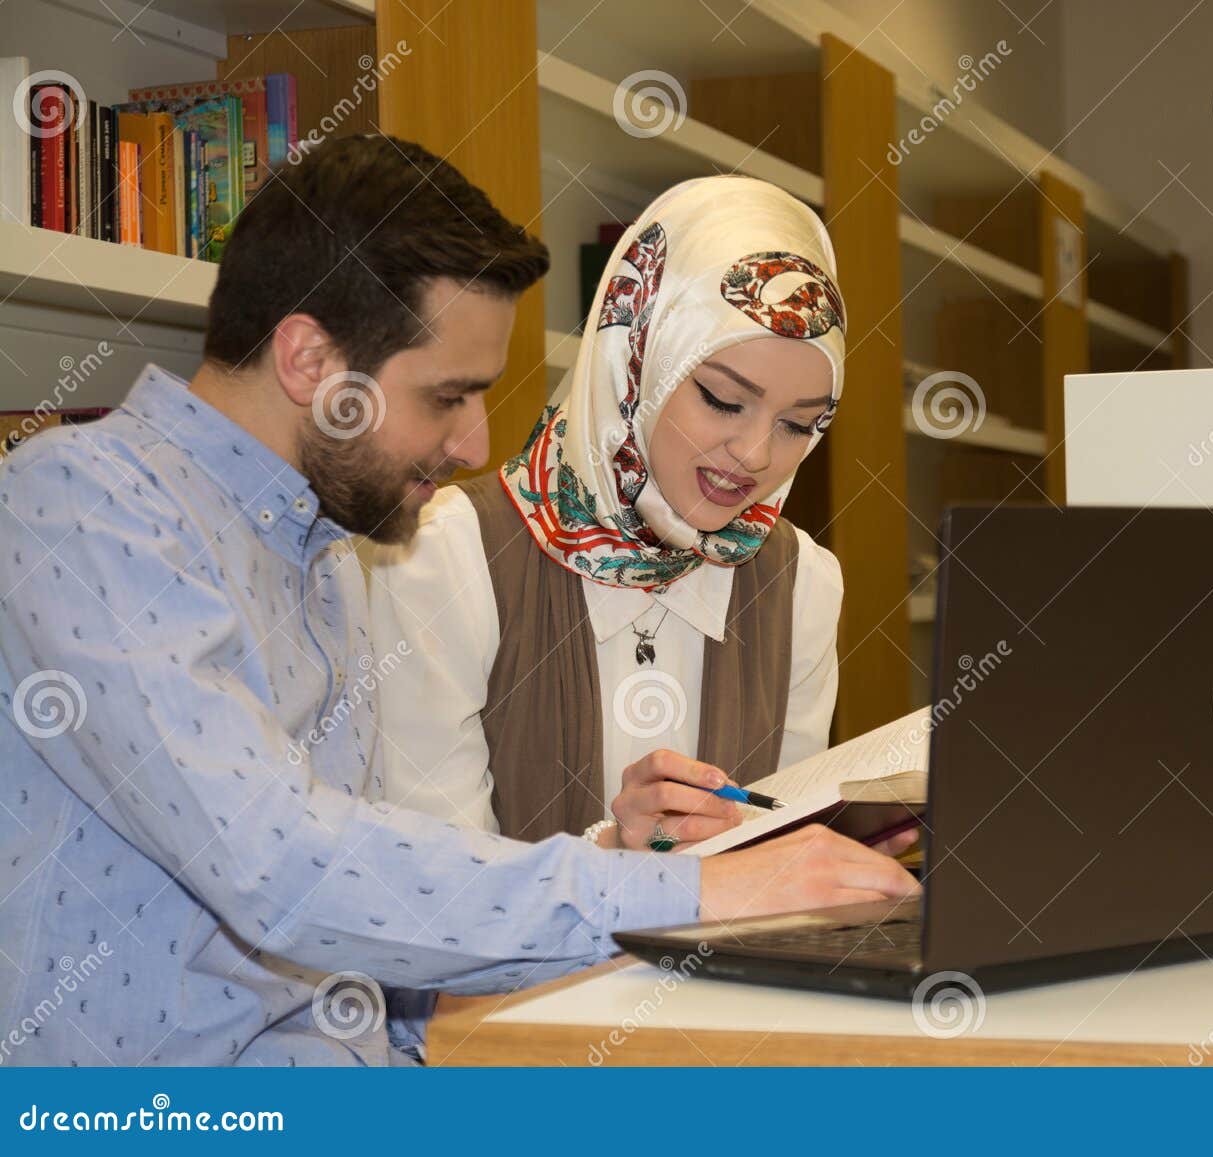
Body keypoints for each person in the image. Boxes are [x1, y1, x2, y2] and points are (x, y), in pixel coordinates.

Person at [0, 137, 918, 1067]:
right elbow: (283, 867)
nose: (476, 444)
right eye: (449, 397)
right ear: (310, 360)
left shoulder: (317, 553)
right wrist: (706, 895)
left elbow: (383, 927)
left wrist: (625, 853)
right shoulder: (83, 508)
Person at [366, 176, 847, 853]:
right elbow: (435, 896)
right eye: (723, 399)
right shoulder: (447, 557)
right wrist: (614, 856)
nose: (756, 455)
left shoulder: (802, 584)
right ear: (635, 360)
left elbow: (778, 864)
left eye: (798, 425)